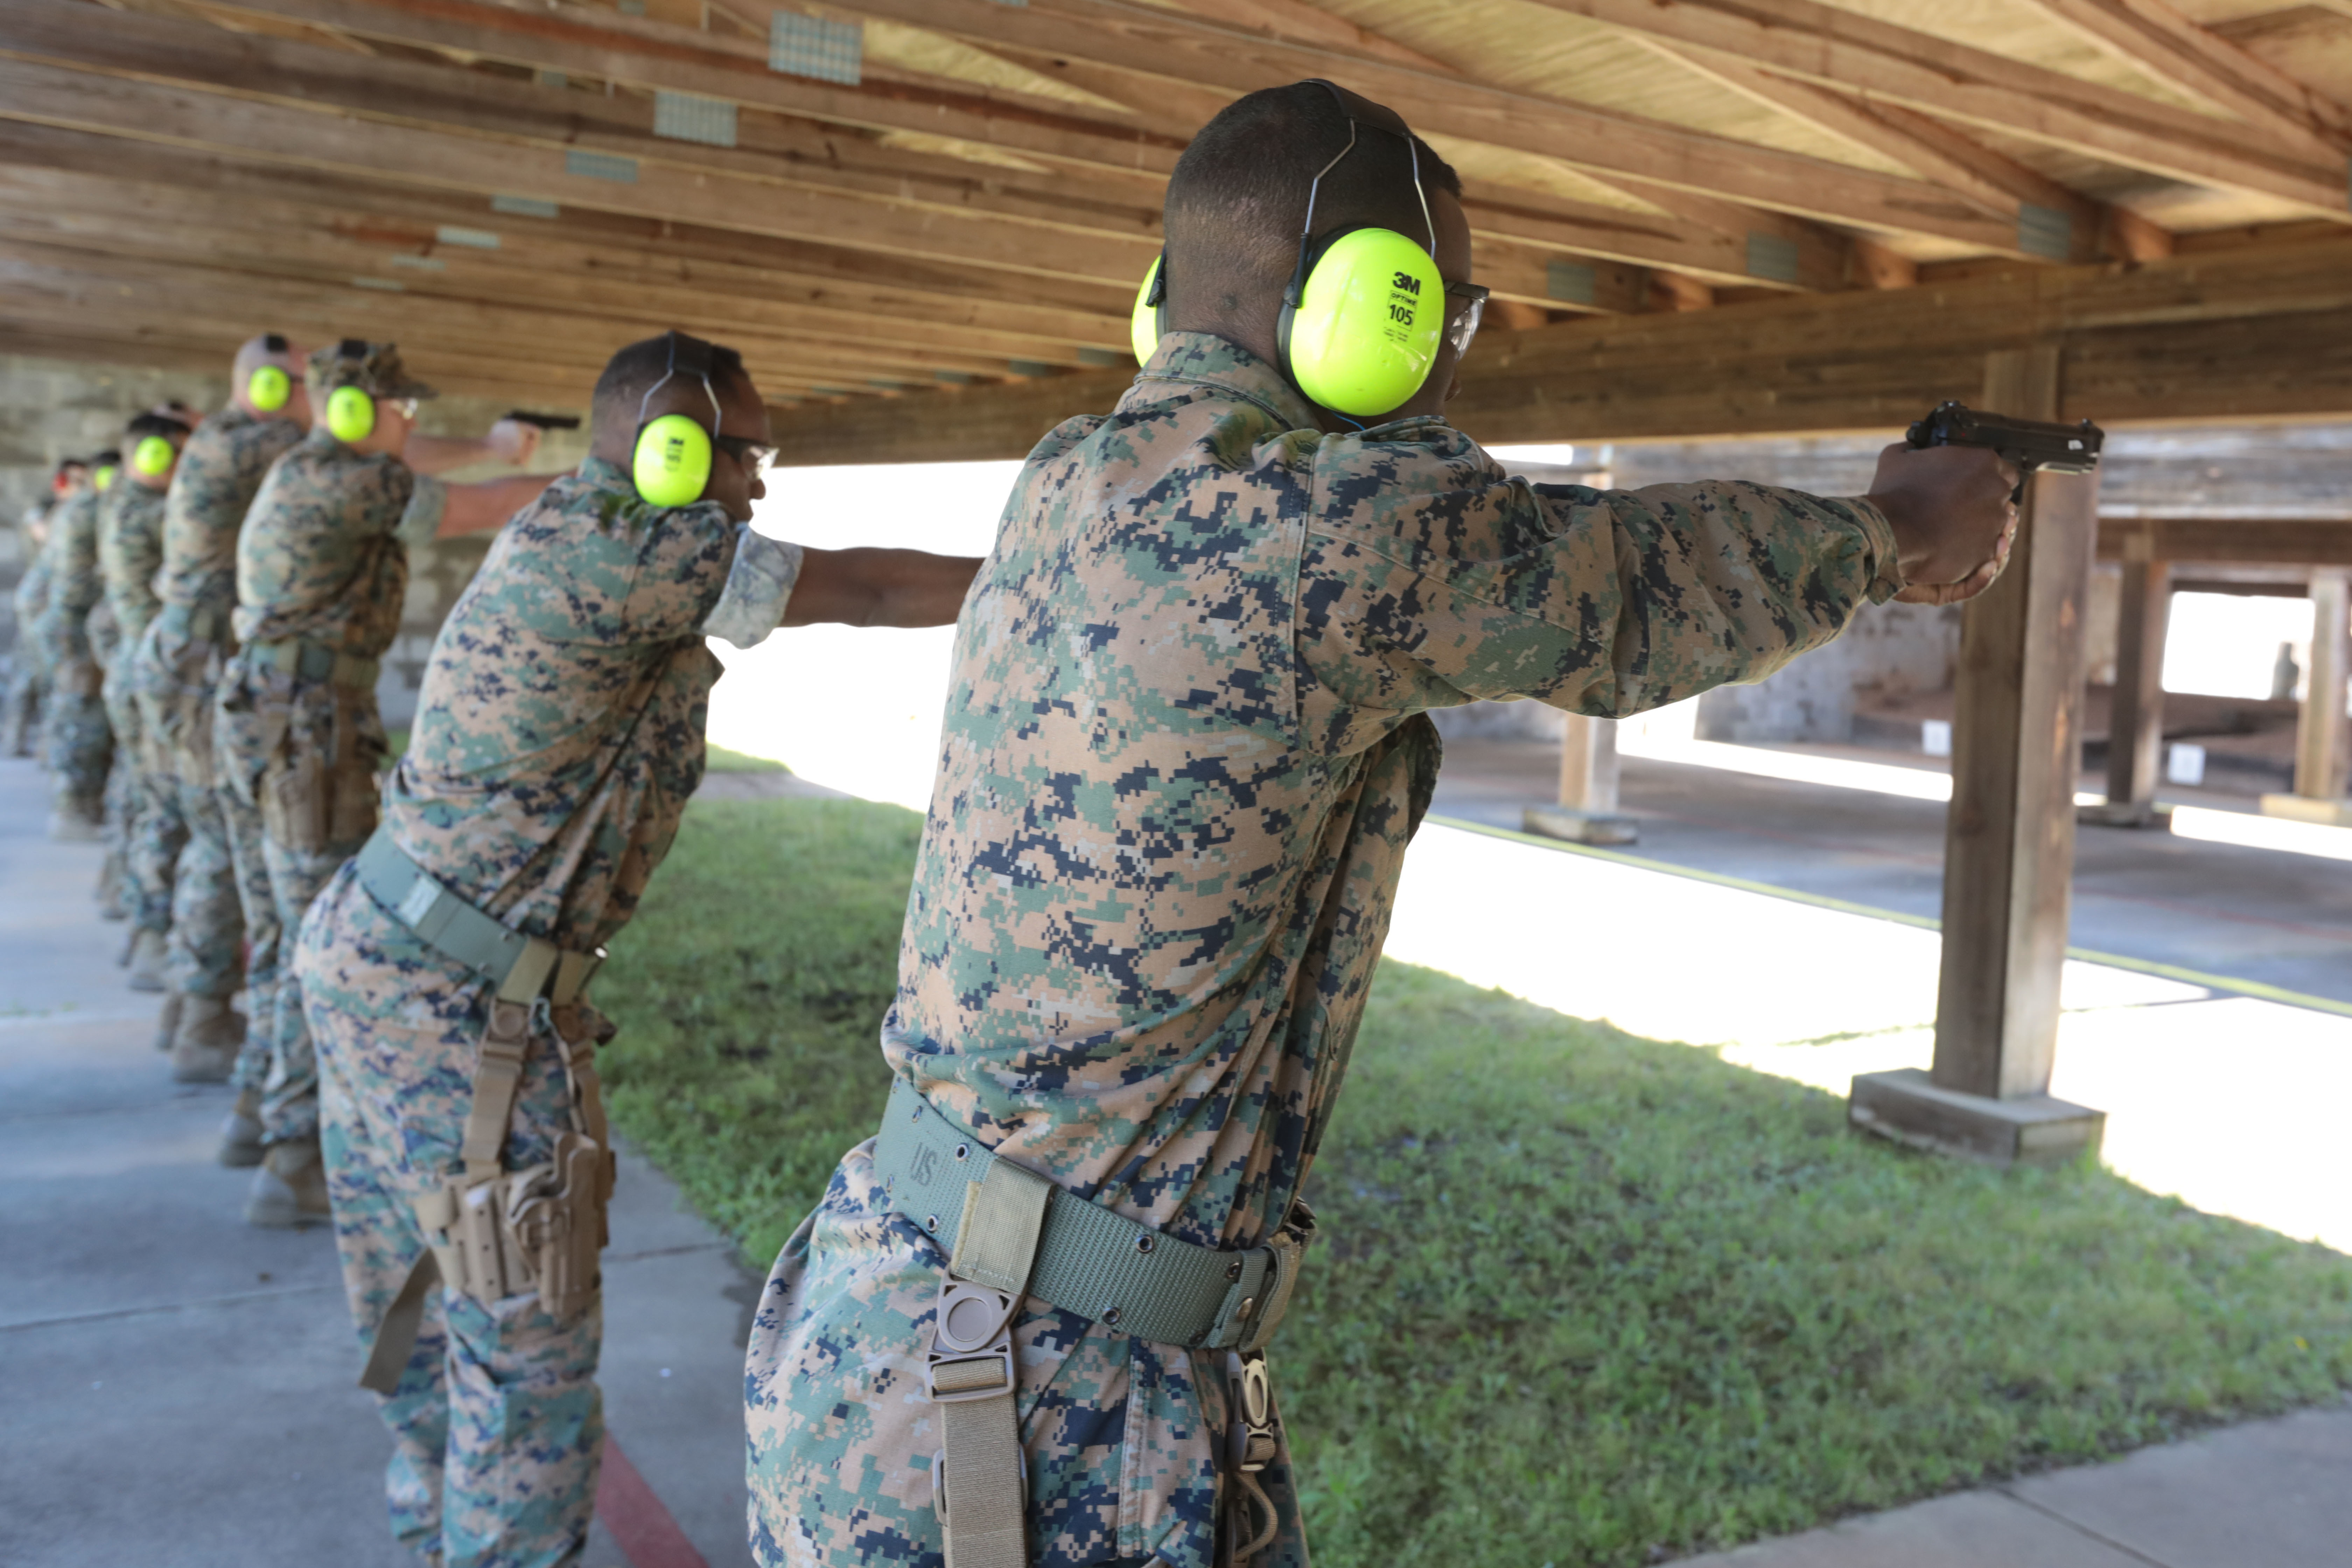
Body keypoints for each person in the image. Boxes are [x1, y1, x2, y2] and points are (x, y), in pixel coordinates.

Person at [742, 81, 2017, 1568]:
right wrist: (1891, 532)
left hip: (929, 1331)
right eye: (1440, 310)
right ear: (1366, 306)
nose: (1446, 360)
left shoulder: (1069, 480)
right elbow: (1622, 592)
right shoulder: (1312, 527)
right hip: (1039, 1413)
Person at [294, 329, 981, 1568]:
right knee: (526, 1354)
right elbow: (869, 590)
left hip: (377, 961)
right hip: (462, 1013)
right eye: (741, 452)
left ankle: (427, 1524)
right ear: (669, 449)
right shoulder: (629, 548)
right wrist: (1060, 574)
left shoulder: (583, 533)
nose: (756, 483)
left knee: (428, 1297)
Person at [216, 340, 550, 1227]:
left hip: (282, 715)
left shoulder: (319, 465)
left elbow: (427, 460)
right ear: (365, 412)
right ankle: (292, 1160)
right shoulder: (342, 479)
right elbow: (471, 507)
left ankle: (258, 1115)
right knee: (315, 933)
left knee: (280, 919)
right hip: (305, 726)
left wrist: (494, 441)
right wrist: (591, 486)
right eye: (400, 408)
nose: (409, 423)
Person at [133, 334, 312, 1105]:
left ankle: (189, 1003)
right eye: (309, 383)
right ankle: (204, 1017)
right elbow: (369, 451)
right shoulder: (261, 440)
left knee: (210, 833)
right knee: (227, 844)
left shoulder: (222, 440)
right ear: (273, 389)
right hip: (201, 662)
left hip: (184, 656)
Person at [100, 405, 200, 1002]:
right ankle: (155, 940)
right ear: (157, 457)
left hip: (137, 674)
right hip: (154, 679)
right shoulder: (152, 514)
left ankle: (145, 929)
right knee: (166, 814)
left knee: (149, 805)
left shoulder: (125, 507)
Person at [33, 450, 120, 840]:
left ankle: (73, 803)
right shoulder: (94, 509)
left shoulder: (80, 507)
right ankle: (73, 809)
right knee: (84, 716)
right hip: (77, 623)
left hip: (71, 620)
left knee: (74, 709)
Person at [4, 460, 79, 758]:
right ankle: (19, 740)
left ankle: (44, 745)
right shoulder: (50, 511)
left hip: (45, 600)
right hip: (41, 600)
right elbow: (41, 536)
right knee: (34, 675)